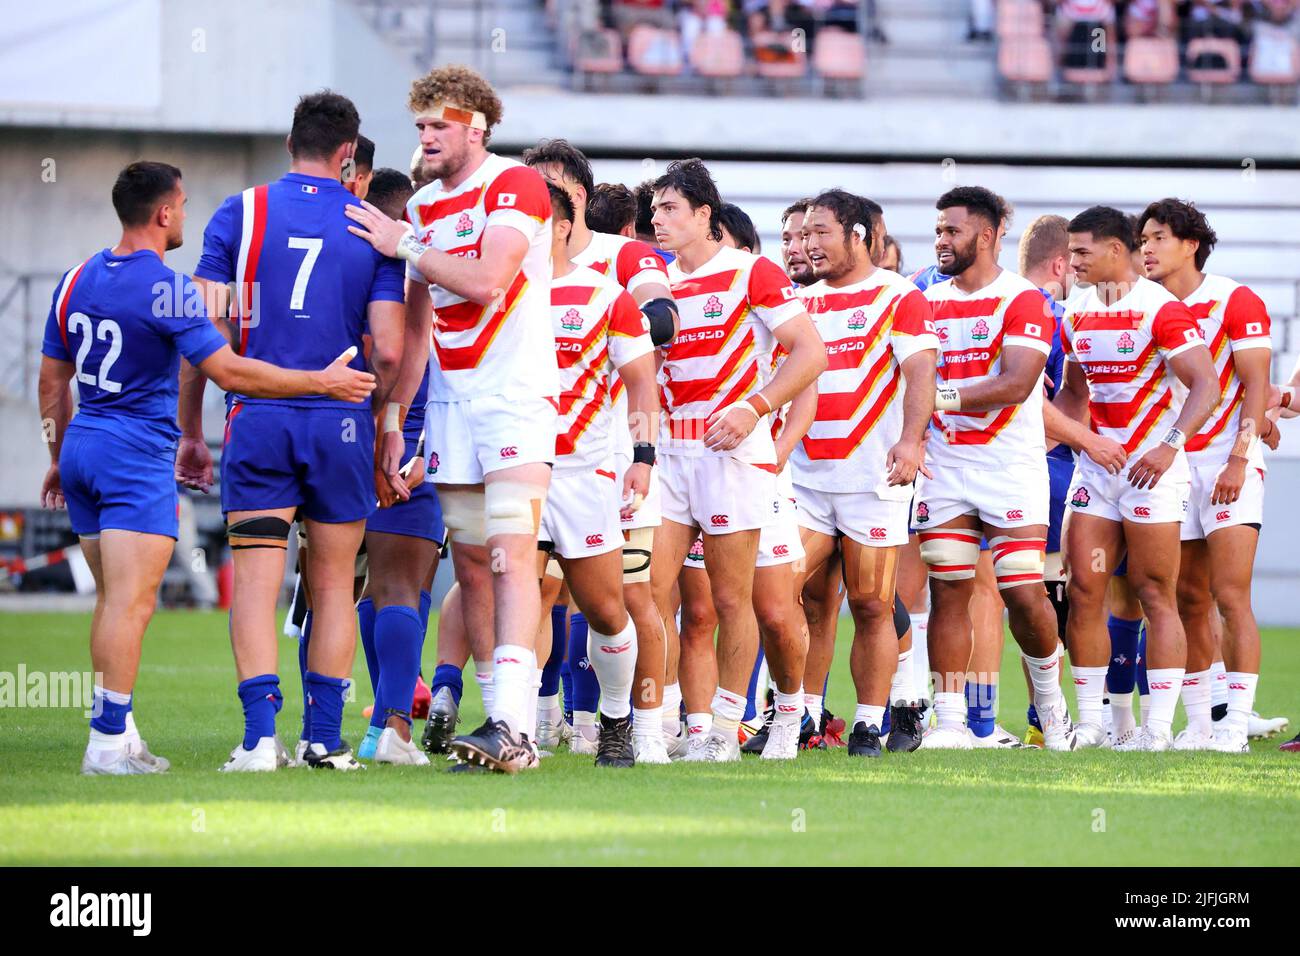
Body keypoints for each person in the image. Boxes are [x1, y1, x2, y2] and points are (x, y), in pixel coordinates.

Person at [41, 161, 374, 774]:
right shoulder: (167, 288)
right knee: (130, 605)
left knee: (112, 599)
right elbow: (229, 371)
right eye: (184, 206)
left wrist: (57, 457)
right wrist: (320, 381)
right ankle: (107, 745)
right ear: (165, 213)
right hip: (134, 456)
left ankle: (124, 732)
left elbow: (51, 382)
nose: (187, 217)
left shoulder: (74, 277)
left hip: (83, 448)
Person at [180, 93, 408, 773]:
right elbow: (392, 352)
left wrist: (192, 428)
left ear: (288, 144)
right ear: (349, 156)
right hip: (342, 418)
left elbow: (202, 332)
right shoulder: (373, 226)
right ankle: (323, 741)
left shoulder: (239, 213)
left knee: (255, 580)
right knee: (335, 581)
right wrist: (379, 418)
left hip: (257, 415)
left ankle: (257, 741)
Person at [344, 65, 559, 774]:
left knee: (509, 556)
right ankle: (497, 731)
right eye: (421, 127)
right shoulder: (428, 206)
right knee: (470, 567)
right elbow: (418, 324)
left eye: (440, 125)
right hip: (450, 406)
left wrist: (402, 243)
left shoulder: (515, 186)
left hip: (515, 398)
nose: (428, 137)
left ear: (477, 126)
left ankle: (516, 726)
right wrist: (394, 418)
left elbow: (489, 284)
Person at [647, 158, 827, 763]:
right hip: (669, 452)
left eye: (670, 208)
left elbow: (811, 355)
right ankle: (665, 723)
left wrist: (754, 408)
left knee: (736, 601)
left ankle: (731, 729)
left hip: (732, 451)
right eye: (654, 210)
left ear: (705, 215)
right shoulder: (654, 285)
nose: (658, 219)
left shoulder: (752, 271)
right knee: (646, 591)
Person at [522, 139, 680, 760]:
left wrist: (642, 458)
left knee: (611, 608)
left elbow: (645, 372)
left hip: (594, 472)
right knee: (517, 592)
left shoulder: (607, 286)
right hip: (519, 467)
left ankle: (621, 720)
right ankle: (516, 722)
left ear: (567, 216)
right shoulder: (503, 290)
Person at [1053, 204, 1220, 751]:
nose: (1072, 261)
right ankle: (1092, 724)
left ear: (1116, 251)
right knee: (1083, 589)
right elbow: (1076, 393)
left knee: (1155, 592)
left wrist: (1170, 447)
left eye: (1082, 251)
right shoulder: (1074, 309)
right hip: (1097, 473)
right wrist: (1058, 440)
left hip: (1152, 473)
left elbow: (1206, 385)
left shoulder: (1161, 309)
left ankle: (1155, 729)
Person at [915, 186, 1073, 750]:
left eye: (952, 231)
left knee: (1023, 591)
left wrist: (938, 397)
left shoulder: (1023, 299)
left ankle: (1052, 709)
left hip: (1008, 465)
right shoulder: (925, 299)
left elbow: (1018, 382)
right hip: (945, 464)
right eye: (937, 230)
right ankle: (952, 721)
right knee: (949, 589)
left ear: (986, 235)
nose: (941, 241)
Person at [792, 189, 939, 758]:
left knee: (873, 602)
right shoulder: (802, 302)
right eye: (805, 235)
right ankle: (799, 718)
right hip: (805, 477)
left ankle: (869, 724)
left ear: (857, 234)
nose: (810, 245)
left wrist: (910, 438)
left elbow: (921, 371)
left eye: (821, 232)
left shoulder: (898, 296)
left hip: (872, 478)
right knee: (796, 596)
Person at [1138, 198, 1272, 753]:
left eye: (1159, 237)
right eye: (1142, 238)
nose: (1146, 247)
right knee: (1189, 596)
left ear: (1190, 244)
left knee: (1230, 593)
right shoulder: (1139, 304)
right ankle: (1200, 723)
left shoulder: (1233, 299)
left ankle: (1236, 724)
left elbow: (1257, 388)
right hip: (1174, 464)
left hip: (1226, 460)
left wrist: (1240, 458)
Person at [350, 169, 447, 766]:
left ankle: (328, 728)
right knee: (403, 590)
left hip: (341, 450)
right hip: (410, 454)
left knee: (353, 588)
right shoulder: (418, 281)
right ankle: (394, 731)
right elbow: (445, 370)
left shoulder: (349, 281)